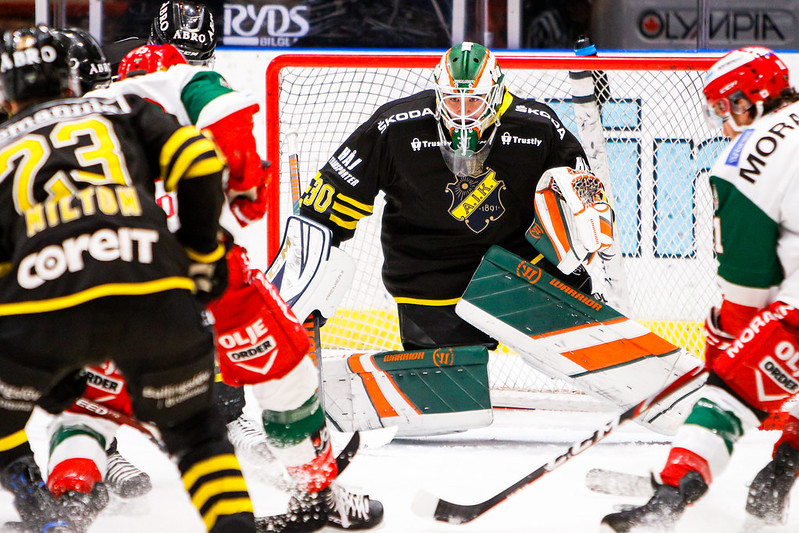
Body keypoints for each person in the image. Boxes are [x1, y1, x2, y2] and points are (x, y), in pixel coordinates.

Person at [47, 37, 383, 533]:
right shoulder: (182, 82)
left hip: (110, 284)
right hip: (209, 276)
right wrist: (246, 190)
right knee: (287, 377)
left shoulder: (75, 122)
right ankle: (316, 493)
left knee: (88, 404)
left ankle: (69, 501)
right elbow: (231, 130)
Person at [0, 24, 256, 533]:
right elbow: (201, 163)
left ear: (6, 97)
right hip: (154, 291)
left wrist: (42, 367)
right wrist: (202, 254)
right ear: (71, 81)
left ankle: (36, 502)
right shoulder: (119, 107)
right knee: (198, 436)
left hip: (47, 306)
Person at [600, 46, 799, 532]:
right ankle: (783, 470)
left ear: (749, 101)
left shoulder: (748, 155)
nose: (723, 122)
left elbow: (749, 285)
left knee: (730, 390)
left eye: (725, 108)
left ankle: (669, 498)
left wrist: (727, 344)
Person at [298, 41, 594, 351]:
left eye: (475, 100)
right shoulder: (396, 127)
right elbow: (329, 200)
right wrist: (310, 274)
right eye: (454, 100)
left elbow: (581, 190)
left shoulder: (536, 126)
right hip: (430, 281)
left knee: (581, 335)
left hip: (516, 269)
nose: (463, 113)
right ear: (439, 94)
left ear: (496, 95)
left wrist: (586, 223)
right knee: (453, 380)